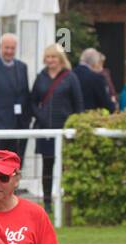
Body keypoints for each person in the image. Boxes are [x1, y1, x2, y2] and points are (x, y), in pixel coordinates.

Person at [31, 44, 82, 204]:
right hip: (45, 129)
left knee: (66, 166)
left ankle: (67, 201)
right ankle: (47, 202)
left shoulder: (70, 77)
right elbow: (32, 101)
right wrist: (41, 116)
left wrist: (74, 124)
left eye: (54, 57)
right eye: (48, 57)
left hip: (64, 128)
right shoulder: (41, 77)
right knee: (47, 166)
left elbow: (78, 103)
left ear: (60, 58)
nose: (51, 60)